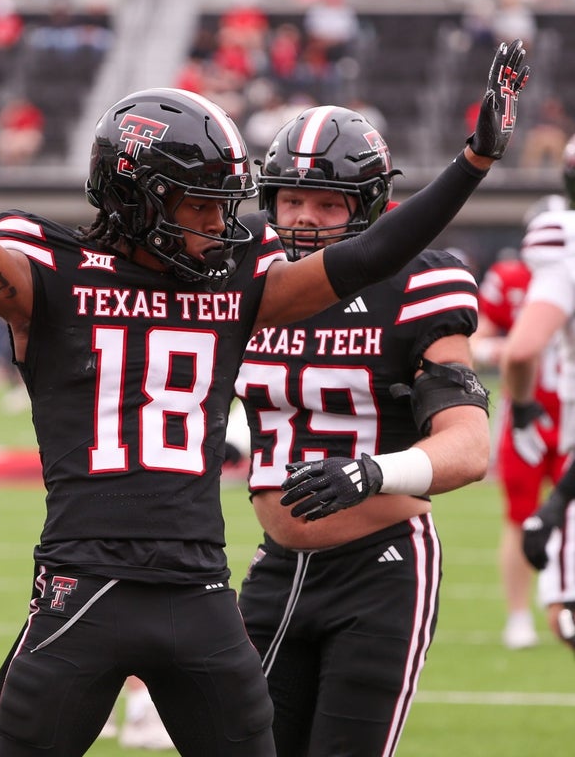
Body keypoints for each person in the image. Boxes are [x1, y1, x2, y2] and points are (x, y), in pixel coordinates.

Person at [0, 0, 526, 755]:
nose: (222, 226)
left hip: (196, 589)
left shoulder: (231, 284)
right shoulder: (51, 275)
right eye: (201, 206)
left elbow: (369, 255)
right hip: (92, 583)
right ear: (138, 195)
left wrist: (472, 164)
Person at [232, 105, 493, 757]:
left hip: (379, 569)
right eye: (292, 200)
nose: (304, 219)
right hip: (275, 566)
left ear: (371, 207)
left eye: (328, 204)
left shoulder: (416, 283)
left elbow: (468, 446)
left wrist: (373, 471)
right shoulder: (243, 277)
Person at [502, 133, 575, 656]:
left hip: (556, 419)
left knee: (567, 613)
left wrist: (560, 503)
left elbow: (520, 350)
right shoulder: (513, 275)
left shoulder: (562, 242)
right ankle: (516, 617)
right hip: (552, 419)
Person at [474, 247, 563, 650]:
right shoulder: (512, 279)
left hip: (569, 416)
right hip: (526, 418)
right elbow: (476, 339)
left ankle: (563, 606)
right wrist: (498, 350)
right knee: (519, 516)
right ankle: (519, 615)